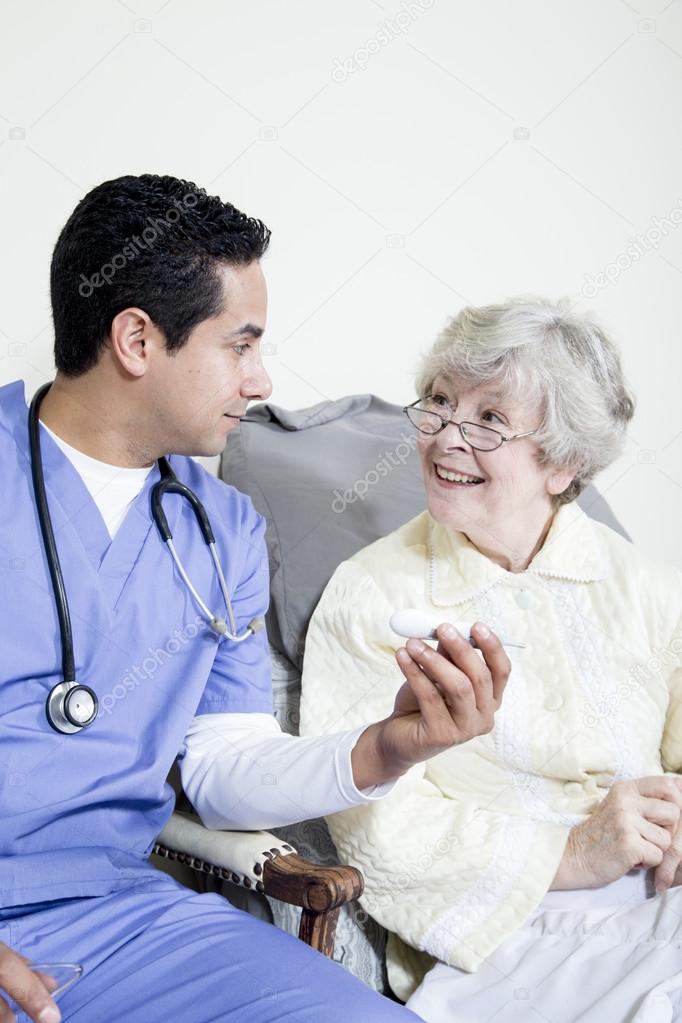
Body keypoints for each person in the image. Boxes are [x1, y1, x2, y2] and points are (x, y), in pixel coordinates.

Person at [0, 174, 513, 1023]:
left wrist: (389, 745)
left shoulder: (222, 529)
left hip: (128, 922)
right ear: (136, 339)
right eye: (240, 345)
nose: (263, 379)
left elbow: (224, 768)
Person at [299, 297, 682, 1023]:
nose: (447, 437)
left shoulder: (650, 588)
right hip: (507, 940)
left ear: (563, 461)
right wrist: (568, 852)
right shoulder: (372, 593)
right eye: (440, 404)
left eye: (490, 420)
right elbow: (374, 825)